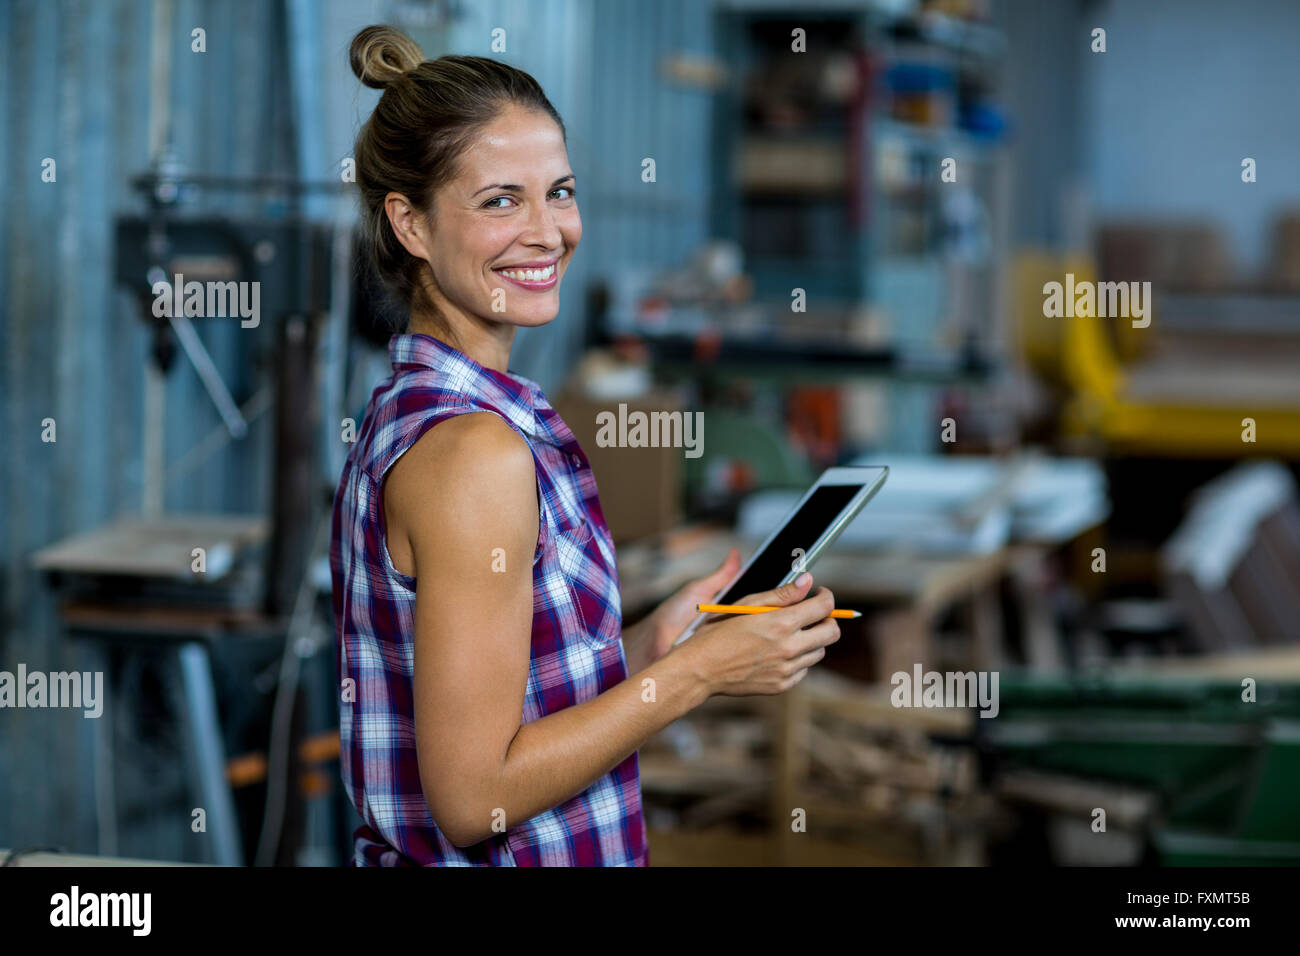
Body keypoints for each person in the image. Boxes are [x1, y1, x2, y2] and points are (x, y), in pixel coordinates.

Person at [329, 24, 840, 866]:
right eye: (500, 201)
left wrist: (653, 645)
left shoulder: (428, 412)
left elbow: (516, 706)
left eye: (559, 192)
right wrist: (697, 676)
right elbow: (473, 799)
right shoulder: (471, 455)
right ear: (410, 226)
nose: (547, 232)